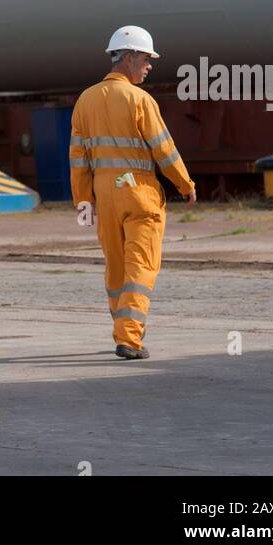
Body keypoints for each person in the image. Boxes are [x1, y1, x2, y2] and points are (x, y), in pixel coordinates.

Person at [69, 25, 196, 361]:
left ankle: (124, 330)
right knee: (141, 266)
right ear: (128, 58)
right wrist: (185, 185)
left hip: (104, 194)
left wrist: (83, 202)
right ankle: (129, 337)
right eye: (145, 58)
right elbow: (164, 151)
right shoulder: (140, 99)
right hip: (137, 191)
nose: (149, 65)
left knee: (116, 267)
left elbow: (78, 158)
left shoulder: (86, 99)